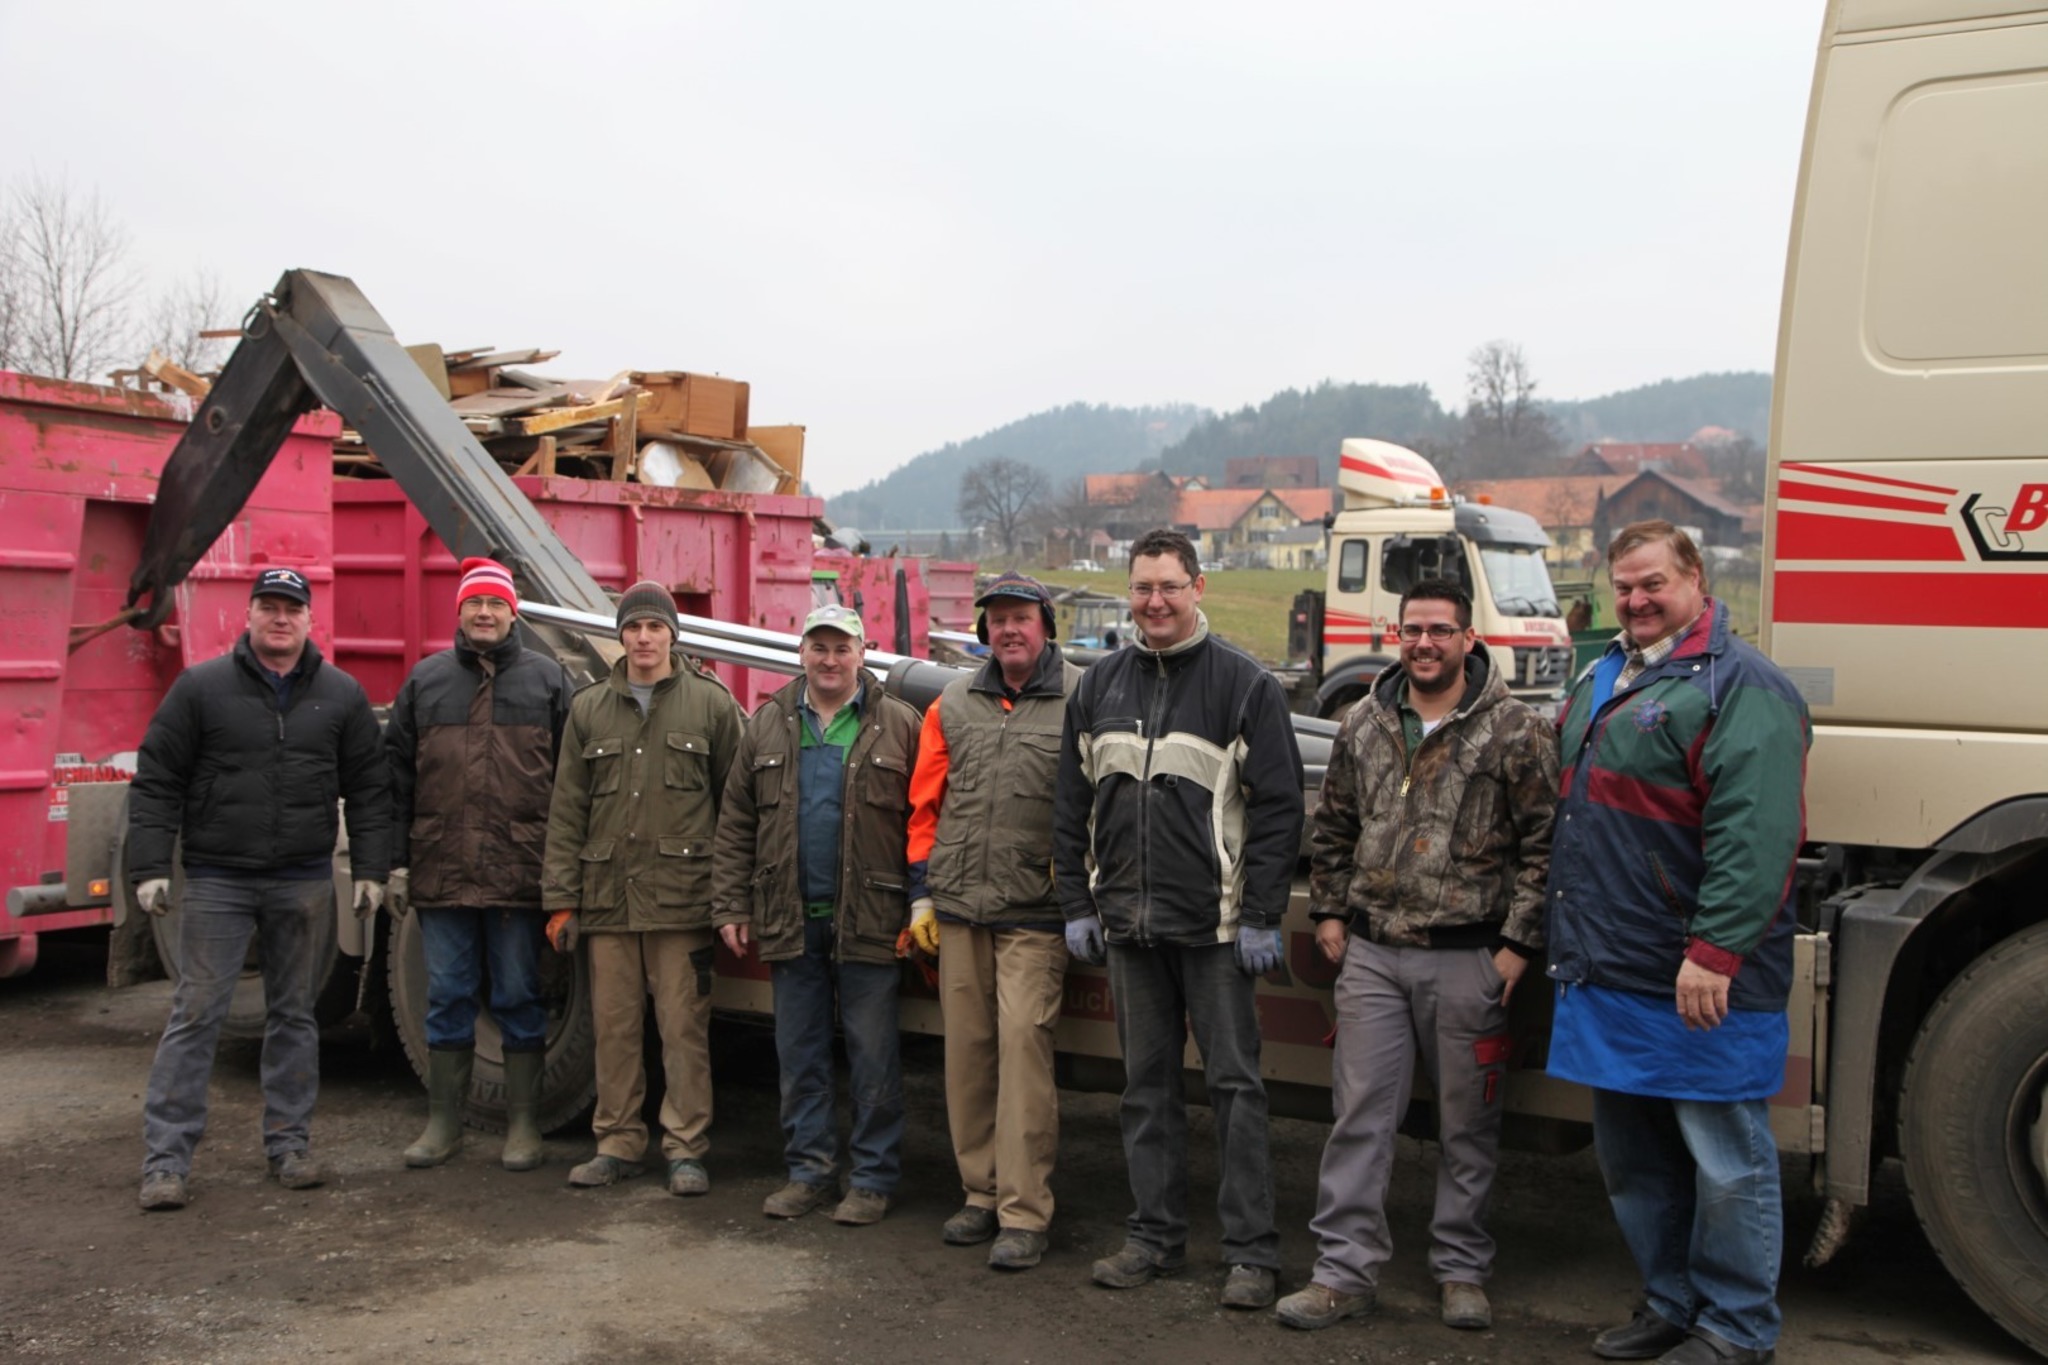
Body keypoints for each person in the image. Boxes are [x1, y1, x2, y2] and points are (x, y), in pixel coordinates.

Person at [1546, 521, 1810, 1365]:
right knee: (1635, 1160)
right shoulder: (1603, 674)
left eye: (1653, 582)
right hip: (1610, 968)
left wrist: (1717, 950)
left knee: (1726, 1161)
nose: (1636, 600)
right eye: (1623, 586)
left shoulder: (1744, 687)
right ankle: (1673, 1301)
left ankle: (1737, 1328)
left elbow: (1757, 834)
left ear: (1695, 577)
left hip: (1697, 975)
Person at [1276, 579, 1559, 1332]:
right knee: (1359, 1118)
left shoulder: (1515, 729)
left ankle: (1461, 1268)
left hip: (1471, 959)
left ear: (1469, 638)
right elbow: (1331, 824)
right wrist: (1332, 910)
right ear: (1396, 634)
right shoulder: (1364, 722)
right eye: (1412, 629)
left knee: (1468, 1126)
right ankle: (1343, 1271)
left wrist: (1517, 945)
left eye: (1440, 630)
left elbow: (1545, 847)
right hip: (1372, 955)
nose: (1424, 643)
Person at [1052, 527, 1304, 1309]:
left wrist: (1262, 913)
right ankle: (1154, 1236)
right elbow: (1070, 805)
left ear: (1199, 587)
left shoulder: (1244, 686)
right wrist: (1077, 903)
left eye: (1168, 585)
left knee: (1235, 1087)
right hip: (1129, 927)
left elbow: (1280, 810)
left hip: (1217, 932)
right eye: (1141, 587)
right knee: (1145, 1088)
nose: (1153, 601)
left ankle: (1252, 1253)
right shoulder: (1099, 686)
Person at [129, 567, 391, 1211]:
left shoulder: (341, 696)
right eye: (269, 607)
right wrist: (150, 868)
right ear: (248, 616)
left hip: (301, 880)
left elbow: (369, 791)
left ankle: (289, 1146)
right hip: (218, 878)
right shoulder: (201, 689)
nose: (281, 619)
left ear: (309, 619)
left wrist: (372, 872)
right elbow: (157, 780)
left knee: (294, 1017)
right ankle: (165, 1161)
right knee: (196, 1016)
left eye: (291, 609)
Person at [713, 604, 921, 1225]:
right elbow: (736, 822)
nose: (830, 660)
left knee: (873, 1056)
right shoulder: (768, 723)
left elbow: (924, 826)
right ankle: (808, 1172)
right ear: (801, 653)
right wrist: (730, 901)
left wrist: (922, 906)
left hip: (873, 918)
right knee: (799, 1054)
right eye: (819, 648)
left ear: (864, 653)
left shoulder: (900, 725)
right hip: (789, 915)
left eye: (842, 648)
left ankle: (873, 1180)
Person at [904, 571, 1081, 1269]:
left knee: (1023, 1053)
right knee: (967, 1055)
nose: (1009, 629)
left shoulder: (1080, 702)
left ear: (1045, 626)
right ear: (984, 631)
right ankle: (979, 1193)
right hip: (960, 910)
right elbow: (925, 807)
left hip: (1036, 916)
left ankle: (1024, 1210)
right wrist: (922, 894)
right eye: (998, 619)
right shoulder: (952, 703)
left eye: (1022, 618)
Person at [542, 581, 742, 1196]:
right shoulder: (588, 708)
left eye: (656, 628)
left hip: (683, 901)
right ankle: (618, 1142)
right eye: (634, 628)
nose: (644, 638)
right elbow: (567, 809)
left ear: (672, 636)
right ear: (620, 636)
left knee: (683, 1029)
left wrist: (731, 897)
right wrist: (560, 899)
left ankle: (685, 1148)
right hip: (608, 899)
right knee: (614, 1027)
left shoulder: (711, 705)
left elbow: (737, 810)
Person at [384, 557, 574, 1171]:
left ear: (512, 612)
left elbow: (574, 785)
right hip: (443, 869)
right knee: (447, 995)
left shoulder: (548, 681)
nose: (485, 614)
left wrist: (566, 873)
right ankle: (445, 1124)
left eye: (495, 604)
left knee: (519, 994)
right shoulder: (426, 682)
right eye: (474, 605)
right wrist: (393, 863)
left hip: (520, 872)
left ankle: (523, 1125)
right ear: (459, 613)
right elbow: (396, 780)